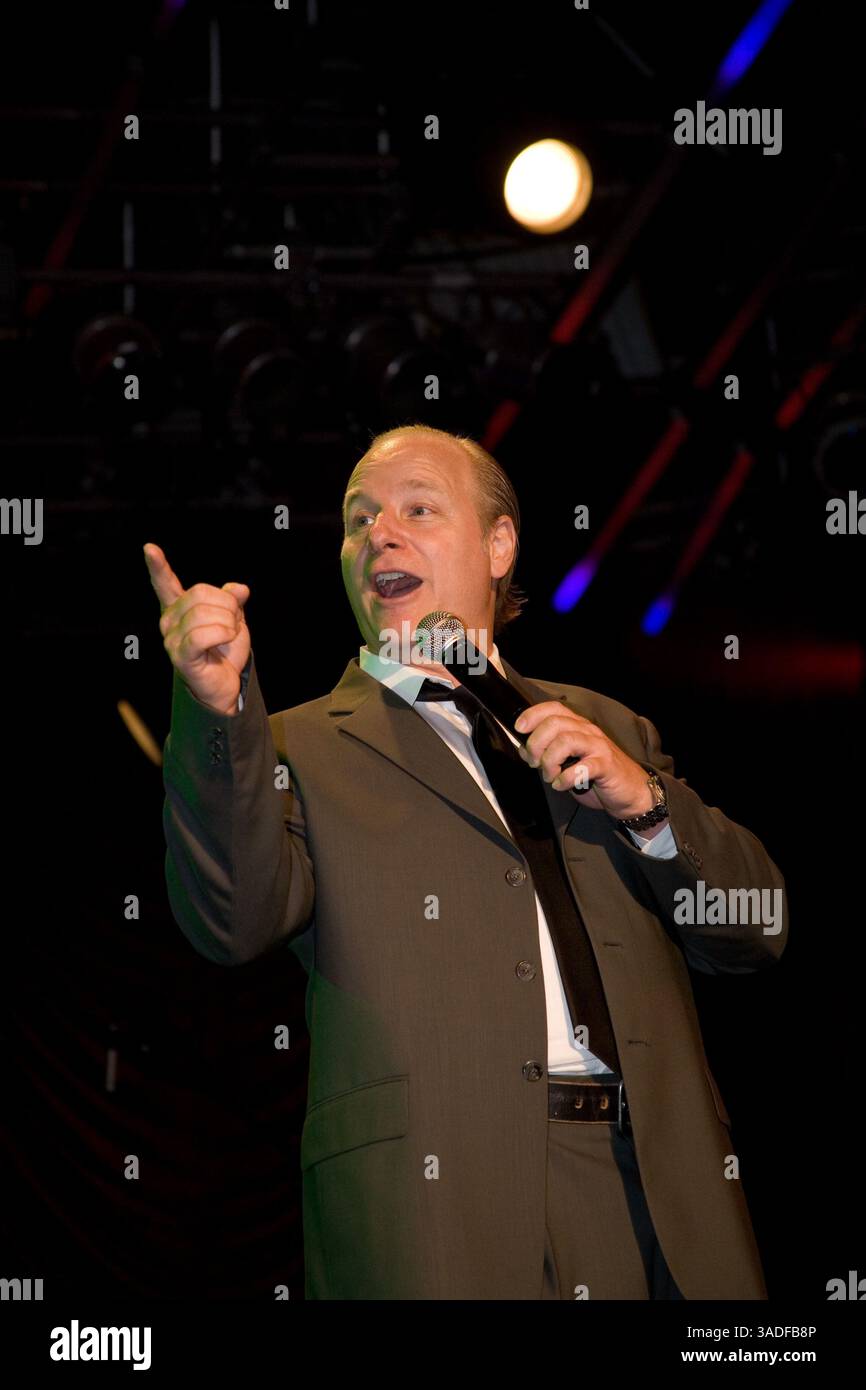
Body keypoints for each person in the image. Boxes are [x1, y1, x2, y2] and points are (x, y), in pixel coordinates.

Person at [144, 422, 788, 1300]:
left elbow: (758, 932)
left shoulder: (609, 727)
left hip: (658, 1199)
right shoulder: (294, 744)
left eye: (417, 509)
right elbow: (230, 922)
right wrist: (218, 715)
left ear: (499, 544)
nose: (380, 534)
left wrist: (646, 806)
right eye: (358, 519)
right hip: (438, 1207)